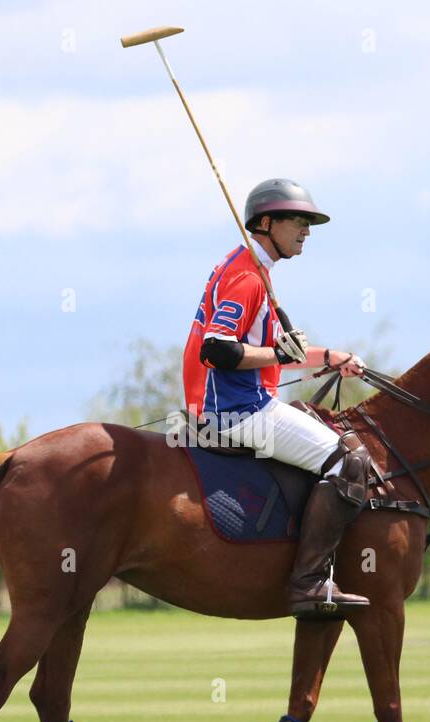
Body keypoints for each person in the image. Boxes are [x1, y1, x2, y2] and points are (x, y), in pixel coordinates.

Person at [181, 178, 374, 620]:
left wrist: (327, 356)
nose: (306, 230)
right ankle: (308, 584)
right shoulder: (247, 277)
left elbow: (267, 353)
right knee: (350, 461)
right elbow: (218, 349)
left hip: (239, 403)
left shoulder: (250, 269)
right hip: (236, 411)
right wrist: (275, 352)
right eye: (298, 221)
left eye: (309, 223)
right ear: (266, 223)